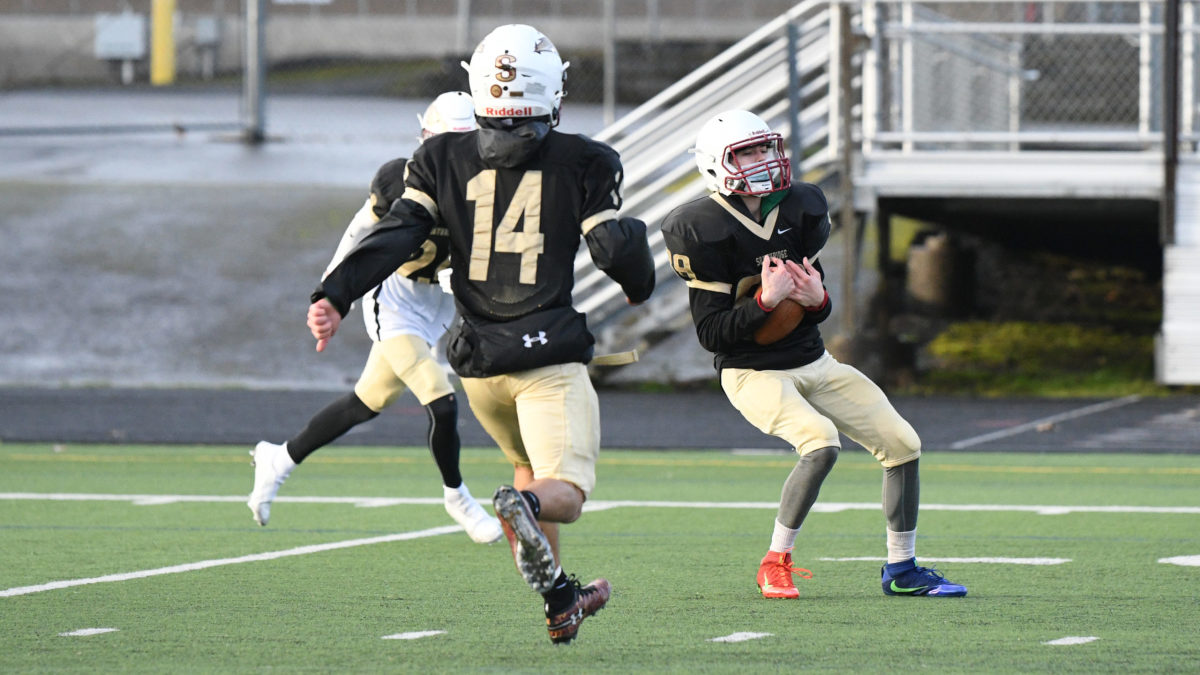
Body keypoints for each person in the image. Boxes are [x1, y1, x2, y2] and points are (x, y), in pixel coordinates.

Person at [306, 24, 656, 643]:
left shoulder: (438, 157)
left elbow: (396, 234)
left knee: (527, 469)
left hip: (478, 365)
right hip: (546, 358)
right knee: (564, 493)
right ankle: (526, 512)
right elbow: (611, 248)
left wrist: (336, 292)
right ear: (551, 88)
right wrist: (637, 273)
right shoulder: (586, 159)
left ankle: (560, 602)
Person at [661, 110, 967, 600]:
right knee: (820, 443)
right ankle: (775, 562)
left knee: (903, 444)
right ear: (718, 164)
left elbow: (817, 307)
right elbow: (713, 335)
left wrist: (817, 299)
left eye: (764, 148)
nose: (762, 159)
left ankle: (902, 568)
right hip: (752, 372)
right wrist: (763, 303)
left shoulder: (801, 205)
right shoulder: (700, 227)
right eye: (747, 152)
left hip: (814, 362)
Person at [247, 91, 504, 546]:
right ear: (427, 141)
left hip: (440, 302)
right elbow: (359, 234)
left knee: (367, 401)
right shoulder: (398, 181)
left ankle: (279, 458)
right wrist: (330, 296)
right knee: (441, 399)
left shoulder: (492, 187)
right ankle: (458, 498)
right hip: (396, 300)